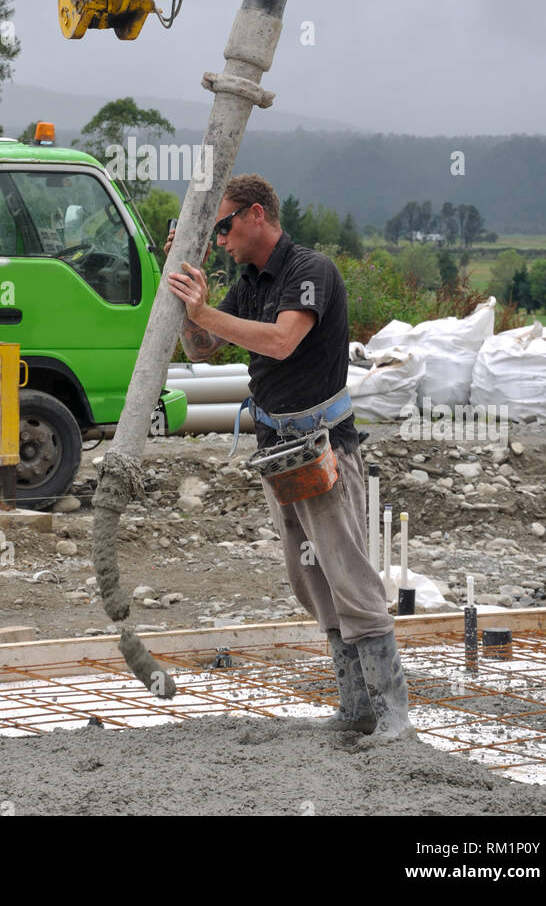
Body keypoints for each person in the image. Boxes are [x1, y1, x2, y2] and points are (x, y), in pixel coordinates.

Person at [166, 174, 414, 743]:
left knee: (350, 576)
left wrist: (205, 314)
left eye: (225, 227)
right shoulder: (252, 281)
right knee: (311, 578)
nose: (222, 240)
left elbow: (280, 342)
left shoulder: (309, 271)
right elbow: (203, 349)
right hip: (278, 449)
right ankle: (356, 707)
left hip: (322, 445)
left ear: (256, 215)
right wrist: (186, 299)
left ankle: (393, 715)